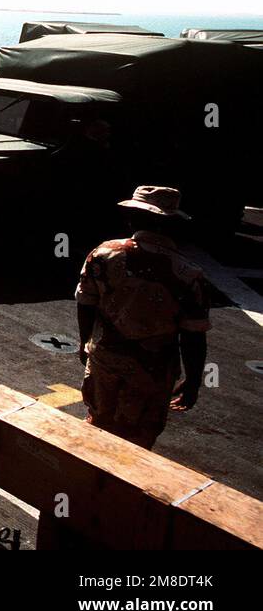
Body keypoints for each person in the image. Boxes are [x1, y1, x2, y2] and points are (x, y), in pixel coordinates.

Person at [74, 186, 211, 450]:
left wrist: (85, 341)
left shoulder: (104, 254)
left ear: (135, 218)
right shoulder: (189, 275)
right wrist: (193, 381)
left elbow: (86, 302)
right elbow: (193, 336)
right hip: (153, 373)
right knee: (137, 443)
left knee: (96, 427)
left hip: (106, 359)